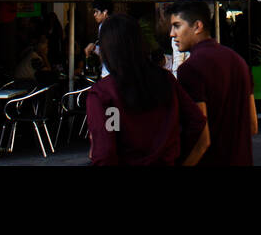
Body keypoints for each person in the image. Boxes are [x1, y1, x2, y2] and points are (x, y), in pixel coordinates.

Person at [85, 14, 209, 165]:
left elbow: (106, 151)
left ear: (107, 50)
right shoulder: (166, 80)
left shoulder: (104, 94)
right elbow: (196, 122)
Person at [168, 0, 255, 165]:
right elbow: (252, 125)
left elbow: (202, 138)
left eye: (177, 25)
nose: (172, 34)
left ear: (197, 26)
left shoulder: (190, 69)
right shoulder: (239, 61)